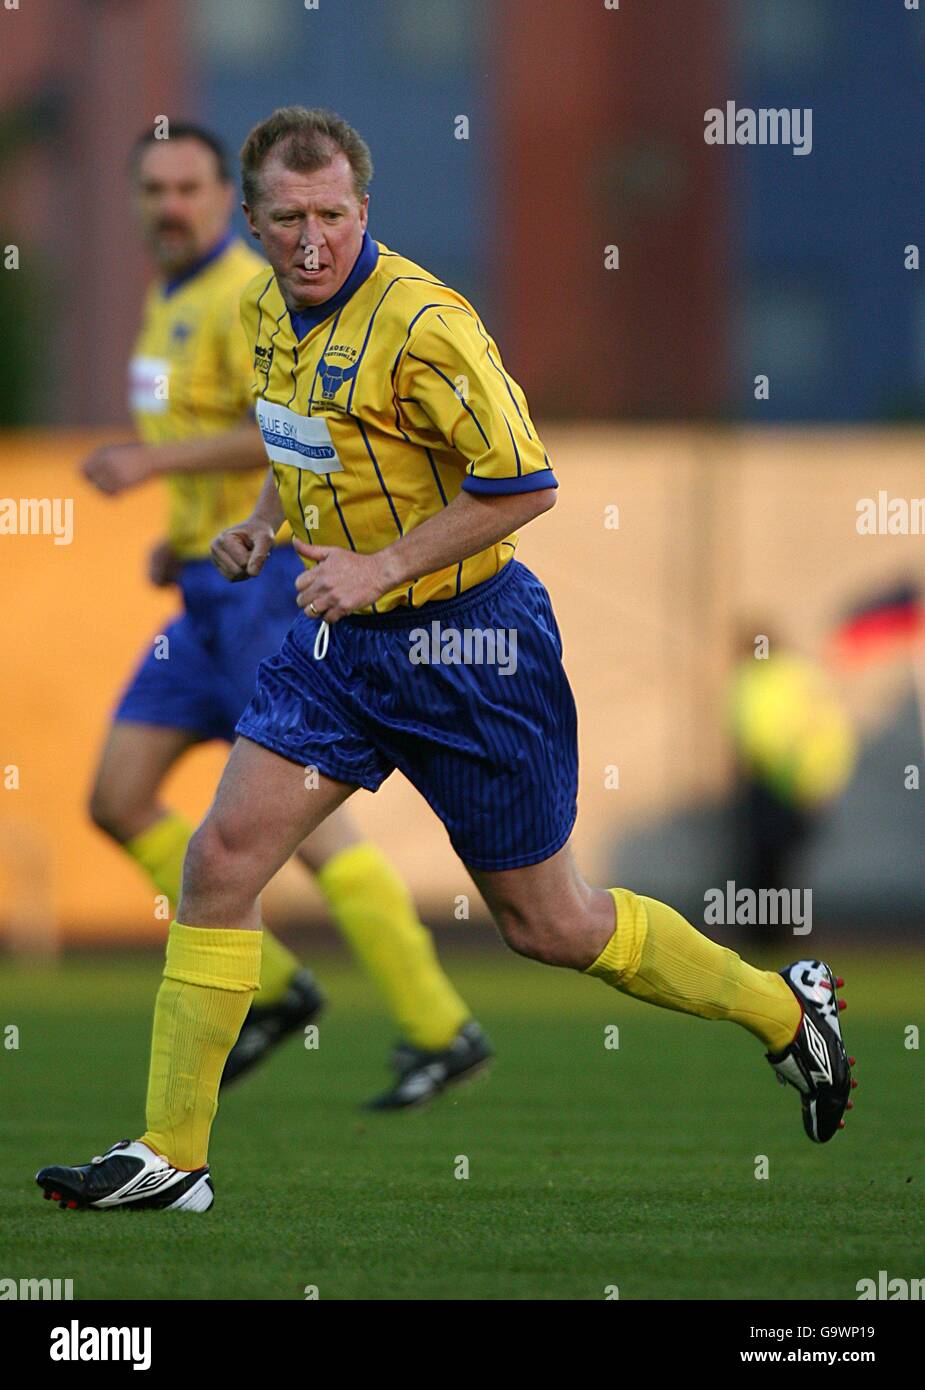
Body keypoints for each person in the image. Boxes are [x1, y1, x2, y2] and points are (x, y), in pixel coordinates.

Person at [38, 107, 855, 1213]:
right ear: (255, 221)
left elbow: (523, 484)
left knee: (549, 925)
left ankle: (783, 1009)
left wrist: (379, 570)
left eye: (331, 215)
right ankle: (173, 1155)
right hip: (339, 651)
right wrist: (266, 526)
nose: (311, 239)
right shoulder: (263, 313)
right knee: (222, 860)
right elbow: (301, 436)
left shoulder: (426, 323)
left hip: (470, 649)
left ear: (362, 210)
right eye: (287, 219)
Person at [78, 122, 490, 1112]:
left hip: (262, 593)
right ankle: (275, 986)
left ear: (232, 203)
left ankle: (438, 1021)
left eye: (190, 188)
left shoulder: (247, 294)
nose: (170, 205)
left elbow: (278, 440)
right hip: (201, 588)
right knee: (118, 795)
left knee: (289, 827)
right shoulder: (165, 299)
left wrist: (154, 467)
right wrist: (178, 532)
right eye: (154, 189)